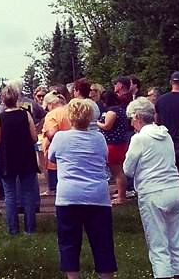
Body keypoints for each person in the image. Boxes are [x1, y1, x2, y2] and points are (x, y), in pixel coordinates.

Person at [124, 97, 179, 278]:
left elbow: (128, 169)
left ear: (138, 116)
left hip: (152, 192)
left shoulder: (138, 139)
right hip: (175, 188)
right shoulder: (166, 135)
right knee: (178, 244)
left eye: (131, 118)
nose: (131, 123)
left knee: (158, 247)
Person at [48, 98, 117, 279]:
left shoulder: (60, 137)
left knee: (69, 243)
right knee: (102, 244)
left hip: (68, 196)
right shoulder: (99, 138)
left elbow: (51, 157)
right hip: (98, 197)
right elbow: (104, 158)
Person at [0, 83, 40, 234]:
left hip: (7, 157)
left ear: (3, 100)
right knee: (28, 193)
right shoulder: (25, 115)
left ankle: (13, 229)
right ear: (17, 98)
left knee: (10, 194)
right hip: (26, 156)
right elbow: (34, 137)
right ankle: (30, 228)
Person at [97, 85, 132, 204]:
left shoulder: (112, 111)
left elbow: (107, 126)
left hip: (114, 144)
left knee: (117, 171)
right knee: (118, 170)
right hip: (118, 143)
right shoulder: (120, 110)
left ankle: (121, 197)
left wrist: (97, 123)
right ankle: (121, 193)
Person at [156, 71, 179, 181]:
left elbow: (157, 120)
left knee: (170, 175)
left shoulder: (160, 100)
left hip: (167, 142)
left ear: (171, 82)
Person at [43, 92, 70, 195]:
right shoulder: (71, 110)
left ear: (50, 104)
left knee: (56, 191)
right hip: (72, 154)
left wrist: (45, 133)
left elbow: (52, 134)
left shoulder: (52, 114)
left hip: (56, 158)